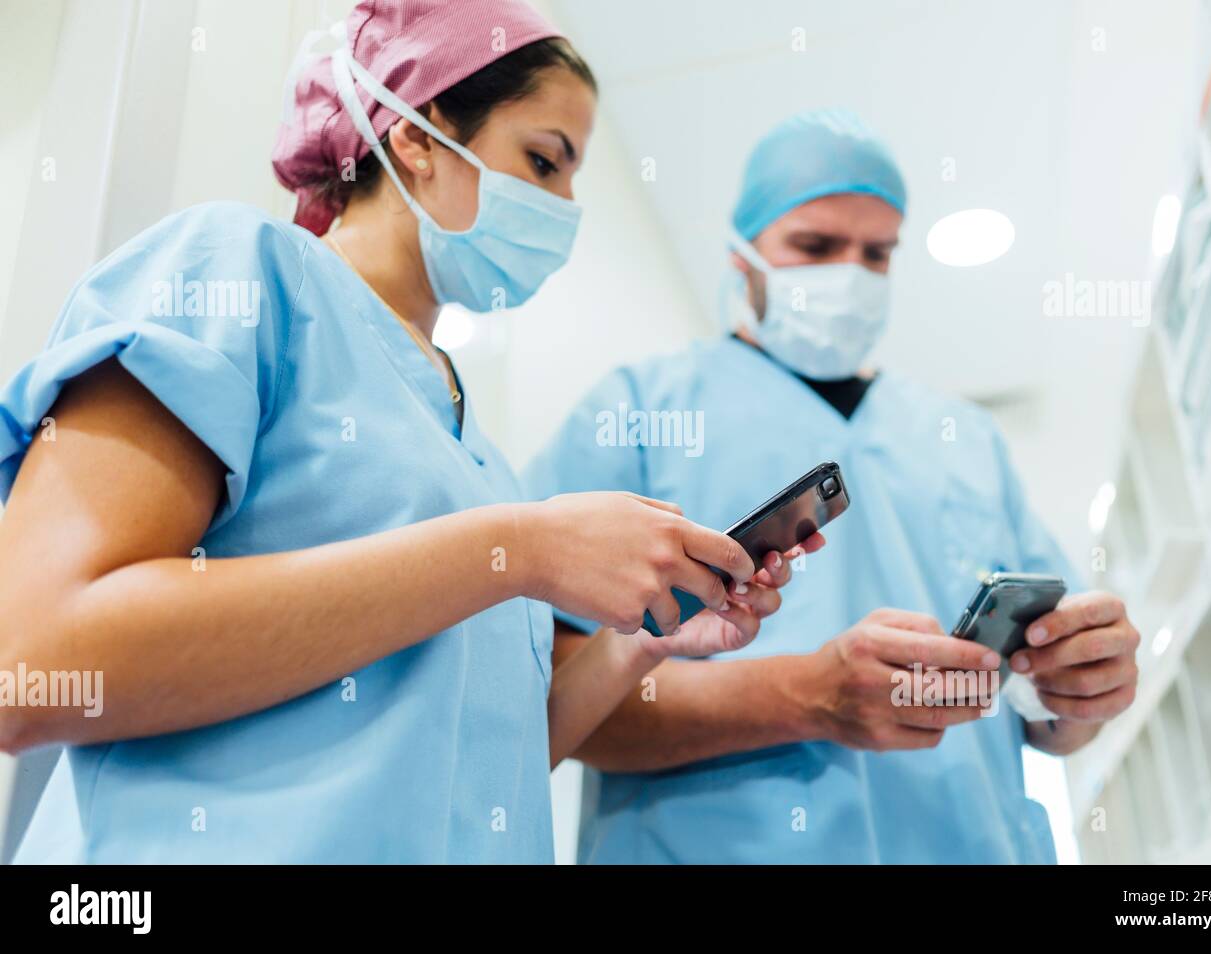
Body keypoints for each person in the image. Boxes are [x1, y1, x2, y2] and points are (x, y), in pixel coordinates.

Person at [0, 0, 813, 864]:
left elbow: (478, 766)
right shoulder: (237, 273)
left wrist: (633, 650)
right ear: (419, 137)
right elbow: (33, 661)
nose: (563, 212)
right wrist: (522, 549)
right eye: (543, 161)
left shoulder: (479, 456)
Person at [525, 109, 1141, 864]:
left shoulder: (962, 436)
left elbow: (1043, 714)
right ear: (741, 257)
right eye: (814, 247)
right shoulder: (642, 411)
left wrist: (1078, 698)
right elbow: (546, 702)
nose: (849, 273)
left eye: (877, 254)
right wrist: (809, 695)